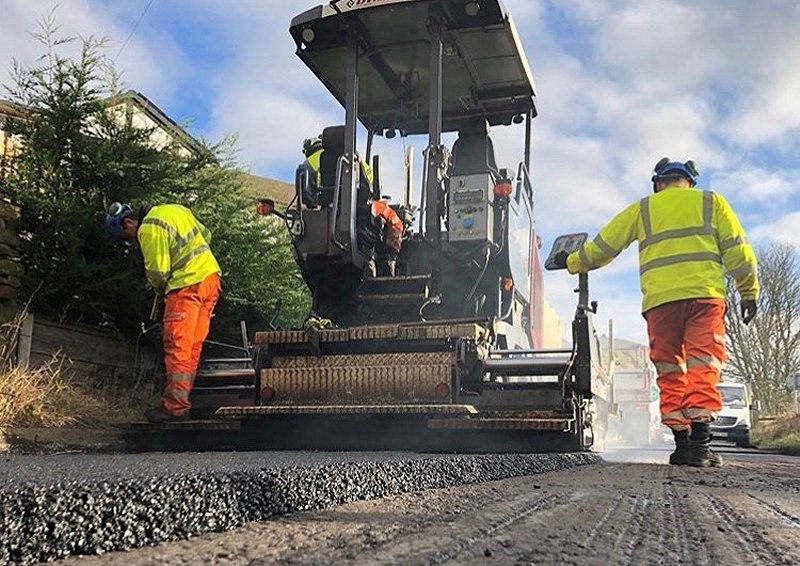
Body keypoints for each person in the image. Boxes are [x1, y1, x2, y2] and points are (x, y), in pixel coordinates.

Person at [552, 158, 759, 467]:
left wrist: (572, 262)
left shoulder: (644, 209)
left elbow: (604, 247)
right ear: (689, 182)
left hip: (661, 304)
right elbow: (738, 252)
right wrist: (748, 292)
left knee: (671, 371)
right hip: (704, 299)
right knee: (703, 365)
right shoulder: (711, 202)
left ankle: (683, 445)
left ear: (658, 183)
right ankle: (701, 447)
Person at [105, 202, 222, 423]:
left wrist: (159, 289)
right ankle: (181, 403)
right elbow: (206, 235)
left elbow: (159, 272)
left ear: (128, 222)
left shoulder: (148, 227)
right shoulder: (175, 209)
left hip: (186, 285)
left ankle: (174, 408)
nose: (133, 239)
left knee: (177, 345)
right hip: (210, 280)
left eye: (128, 235)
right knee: (191, 348)